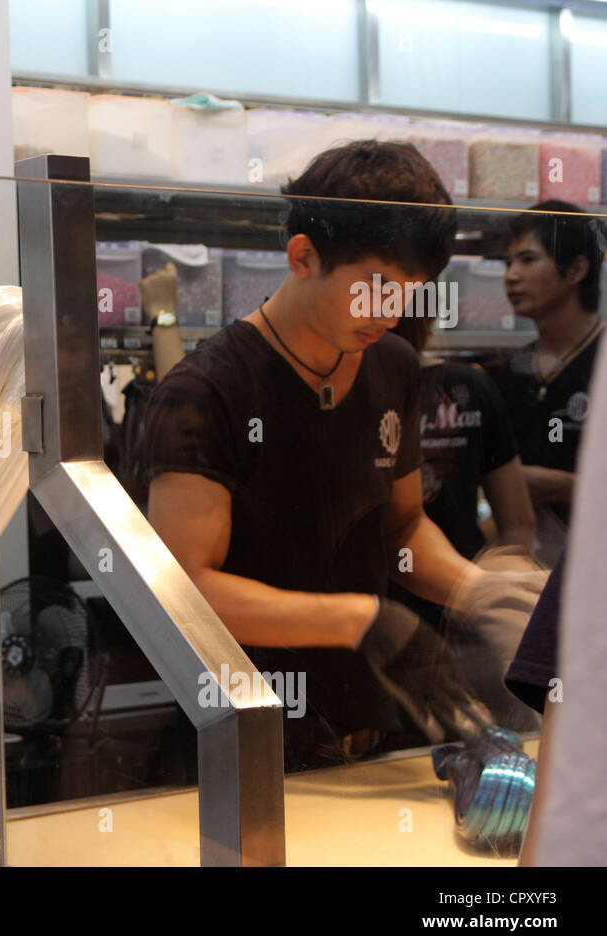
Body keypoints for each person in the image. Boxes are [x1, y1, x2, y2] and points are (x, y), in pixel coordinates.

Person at [140, 141, 545, 771]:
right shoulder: (206, 390)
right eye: (377, 286)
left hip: (363, 737)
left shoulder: (395, 368)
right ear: (303, 255)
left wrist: (478, 590)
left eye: (410, 291)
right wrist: (363, 619)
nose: (391, 311)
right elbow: (182, 591)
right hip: (235, 743)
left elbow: (402, 529)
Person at [387, 314, 540, 730]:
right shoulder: (463, 387)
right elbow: (518, 523)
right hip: (389, 630)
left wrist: (492, 599)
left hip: (435, 620)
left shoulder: (466, 389)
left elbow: (516, 524)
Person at [487, 200, 604, 566]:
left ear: (576, 269)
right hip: (527, 567)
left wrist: (565, 487)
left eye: (527, 259)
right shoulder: (506, 371)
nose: (511, 275)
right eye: (508, 263)